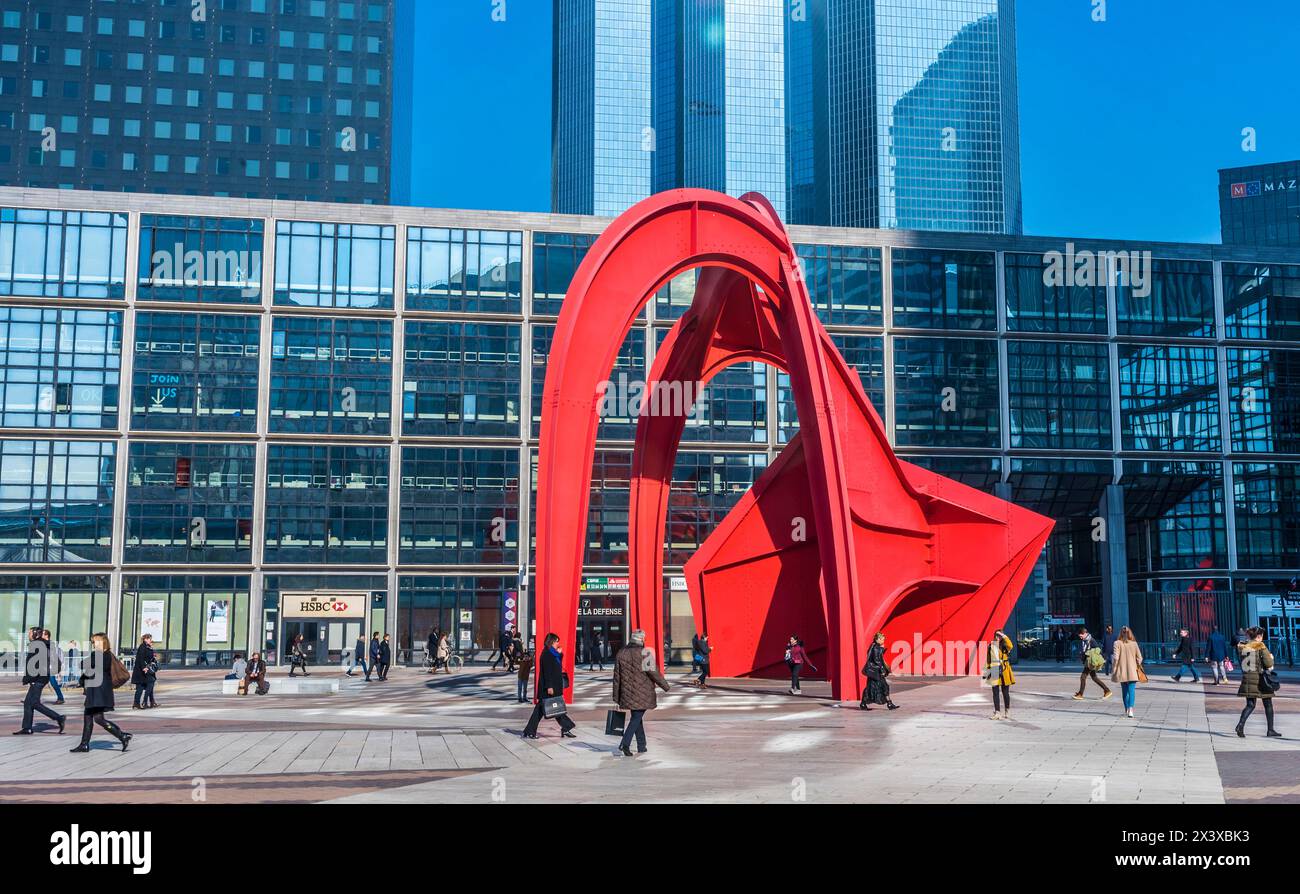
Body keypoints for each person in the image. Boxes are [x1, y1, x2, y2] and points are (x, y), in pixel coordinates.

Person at [612, 629, 672, 757]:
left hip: (627, 693)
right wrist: (665, 686)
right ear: (642, 639)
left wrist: (616, 696)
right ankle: (625, 743)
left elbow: (617, 677)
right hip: (643, 693)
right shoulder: (645, 653)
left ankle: (641, 745)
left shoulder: (621, 653)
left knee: (636, 717)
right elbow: (653, 672)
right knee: (636, 718)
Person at [70, 633, 131, 753]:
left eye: (95, 642)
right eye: (92, 642)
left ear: (102, 642)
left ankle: (122, 736)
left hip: (97, 691)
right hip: (101, 690)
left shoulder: (98, 655)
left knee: (97, 718)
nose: (93, 644)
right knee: (91, 716)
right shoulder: (108, 655)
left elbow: (82, 664)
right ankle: (85, 744)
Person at [522, 633, 577, 739]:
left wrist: (560, 654)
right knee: (553, 708)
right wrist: (549, 687)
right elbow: (547, 672)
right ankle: (566, 727)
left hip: (554, 686)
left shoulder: (553, 654)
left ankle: (530, 730)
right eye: (557, 641)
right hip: (548, 688)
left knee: (549, 708)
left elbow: (557, 666)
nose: (558, 643)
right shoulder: (546, 654)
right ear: (552, 642)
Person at [13, 627, 65, 735]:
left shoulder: (37, 645)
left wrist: (30, 679)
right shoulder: (42, 644)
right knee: (28, 703)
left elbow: (35, 664)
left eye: (30, 632)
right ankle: (27, 727)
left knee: (34, 703)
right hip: (41, 677)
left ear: (35, 634)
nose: (28, 634)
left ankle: (58, 718)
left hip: (38, 678)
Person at [1236, 627, 1281, 738]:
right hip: (1261, 679)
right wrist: (1271, 657)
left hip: (1247, 677)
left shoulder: (1243, 647)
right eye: (1262, 636)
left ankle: (1240, 725)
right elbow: (1268, 663)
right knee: (1268, 704)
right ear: (1258, 636)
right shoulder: (1261, 646)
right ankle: (1270, 730)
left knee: (1250, 705)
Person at [1110, 626, 1144, 718]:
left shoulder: (1117, 643)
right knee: (1131, 690)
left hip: (1122, 671)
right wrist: (1137, 664)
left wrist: (1113, 668)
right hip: (1133, 671)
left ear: (1120, 633)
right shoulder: (1134, 644)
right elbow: (1140, 658)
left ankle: (1126, 709)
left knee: (1124, 691)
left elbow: (1116, 658)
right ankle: (1131, 709)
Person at [859, 632, 897, 710]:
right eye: (882, 639)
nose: (883, 641)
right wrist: (882, 670)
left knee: (872, 687)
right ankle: (889, 704)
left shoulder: (873, 646)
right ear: (878, 639)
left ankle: (889, 703)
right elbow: (877, 661)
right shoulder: (876, 648)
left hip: (873, 672)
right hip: (876, 672)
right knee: (881, 686)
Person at [1072, 627, 1112, 700]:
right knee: (1094, 678)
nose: (1080, 638)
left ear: (1085, 633)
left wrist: (1089, 653)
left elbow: (1098, 650)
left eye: (1081, 636)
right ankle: (1107, 690)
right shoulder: (1085, 640)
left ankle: (1080, 694)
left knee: (1083, 677)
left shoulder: (1091, 640)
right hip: (1088, 662)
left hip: (1090, 662)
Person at [985, 630, 1015, 719]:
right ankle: (997, 712)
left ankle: (1007, 710)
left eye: (999, 635)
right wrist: (987, 671)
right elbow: (988, 659)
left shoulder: (1005, 645)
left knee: (1005, 691)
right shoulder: (991, 645)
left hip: (1004, 669)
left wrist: (1004, 636)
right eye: (996, 635)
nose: (998, 637)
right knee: (995, 692)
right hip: (994, 668)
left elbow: (1011, 645)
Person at [131, 634, 159, 709]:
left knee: (144, 686)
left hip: (145, 670)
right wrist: (144, 667)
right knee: (145, 685)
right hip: (141, 671)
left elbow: (149, 657)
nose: (150, 640)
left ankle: (143, 702)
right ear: (145, 639)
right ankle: (143, 702)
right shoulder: (142, 647)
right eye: (149, 639)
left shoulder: (147, 647)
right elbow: (141, 658)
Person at [43, 631, 66, 705]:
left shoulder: (49, 644)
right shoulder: (45, 644)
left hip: (49, 667)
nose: (40, 635)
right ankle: (32, 699)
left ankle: (61, 698)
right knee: (39, 684)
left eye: (42, 634)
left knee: (53, 683)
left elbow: (51, 656)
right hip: (46, 667)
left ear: (46, 636)